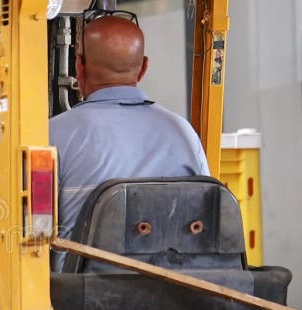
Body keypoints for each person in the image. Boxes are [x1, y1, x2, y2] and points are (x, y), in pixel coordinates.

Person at [49, 12, 210, 240]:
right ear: (143, 68)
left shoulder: (53, 134)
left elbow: (33, 232)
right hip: (174, 275)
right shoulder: (183, 133)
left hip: (81, 276)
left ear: (79, 67)